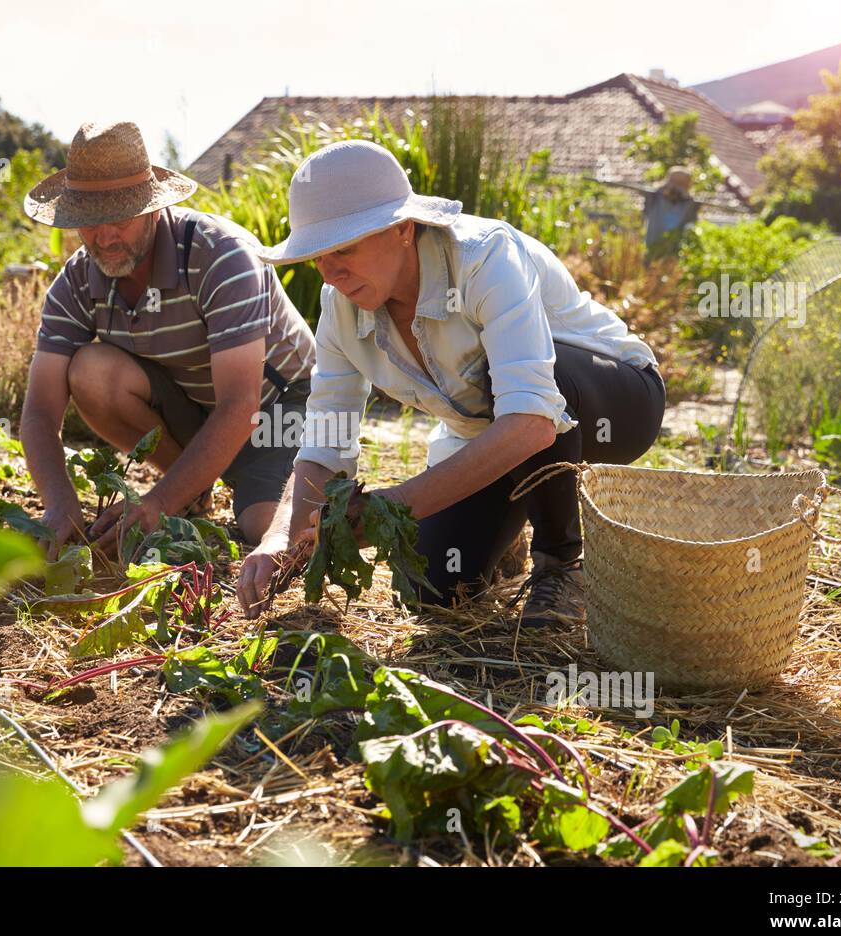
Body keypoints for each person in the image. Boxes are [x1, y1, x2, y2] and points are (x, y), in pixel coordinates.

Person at [236, 140, 665, 627]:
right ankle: (515, 514)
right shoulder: (340, 305)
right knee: (430, 589)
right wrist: (281, 539)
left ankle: (561, 564)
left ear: (401, 229)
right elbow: (326, 438)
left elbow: (532, 422)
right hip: (495, 435)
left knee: (541, 392)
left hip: (616, 402)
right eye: (317, 256)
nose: (329, 271)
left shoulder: (485, 258)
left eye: (345, 249)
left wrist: (387, 507)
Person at [20, 121, 316, 559]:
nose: (104, 237)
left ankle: (322, 480)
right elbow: (39, 414)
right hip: (197, 406)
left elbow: (240, 405)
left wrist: (157, 502)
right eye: (88, 222)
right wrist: (60, 506)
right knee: (91, 371)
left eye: (118, 216)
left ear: (152, 207)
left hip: (278, 406)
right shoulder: (78, 280)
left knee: (263, 528)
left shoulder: (221, 256)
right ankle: (193, 490)